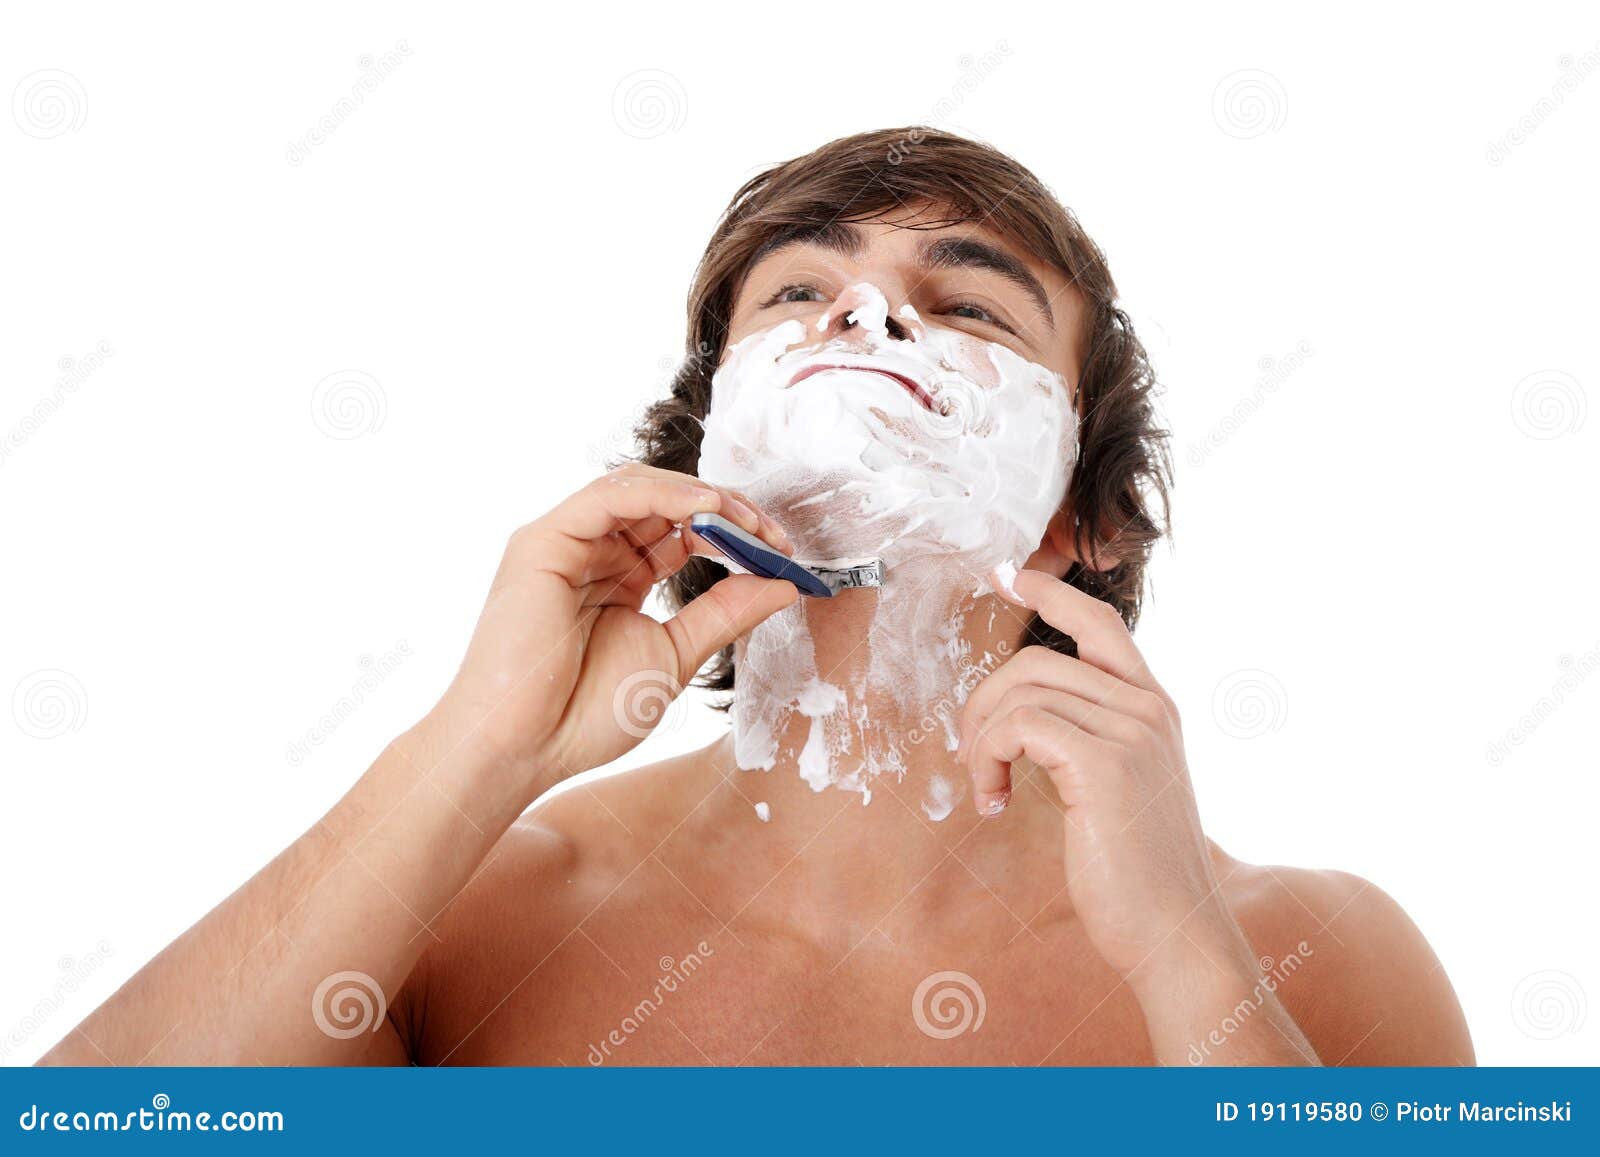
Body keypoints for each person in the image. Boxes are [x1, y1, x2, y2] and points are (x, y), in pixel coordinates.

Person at [43, 128, 1473, 1066]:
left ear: (1079, 515)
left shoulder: (1314, 955)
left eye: (966, 304)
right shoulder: (476, 910)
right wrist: (477, 745)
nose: (868, 315)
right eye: (800, 294)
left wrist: (1179, 955)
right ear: (712, 443)